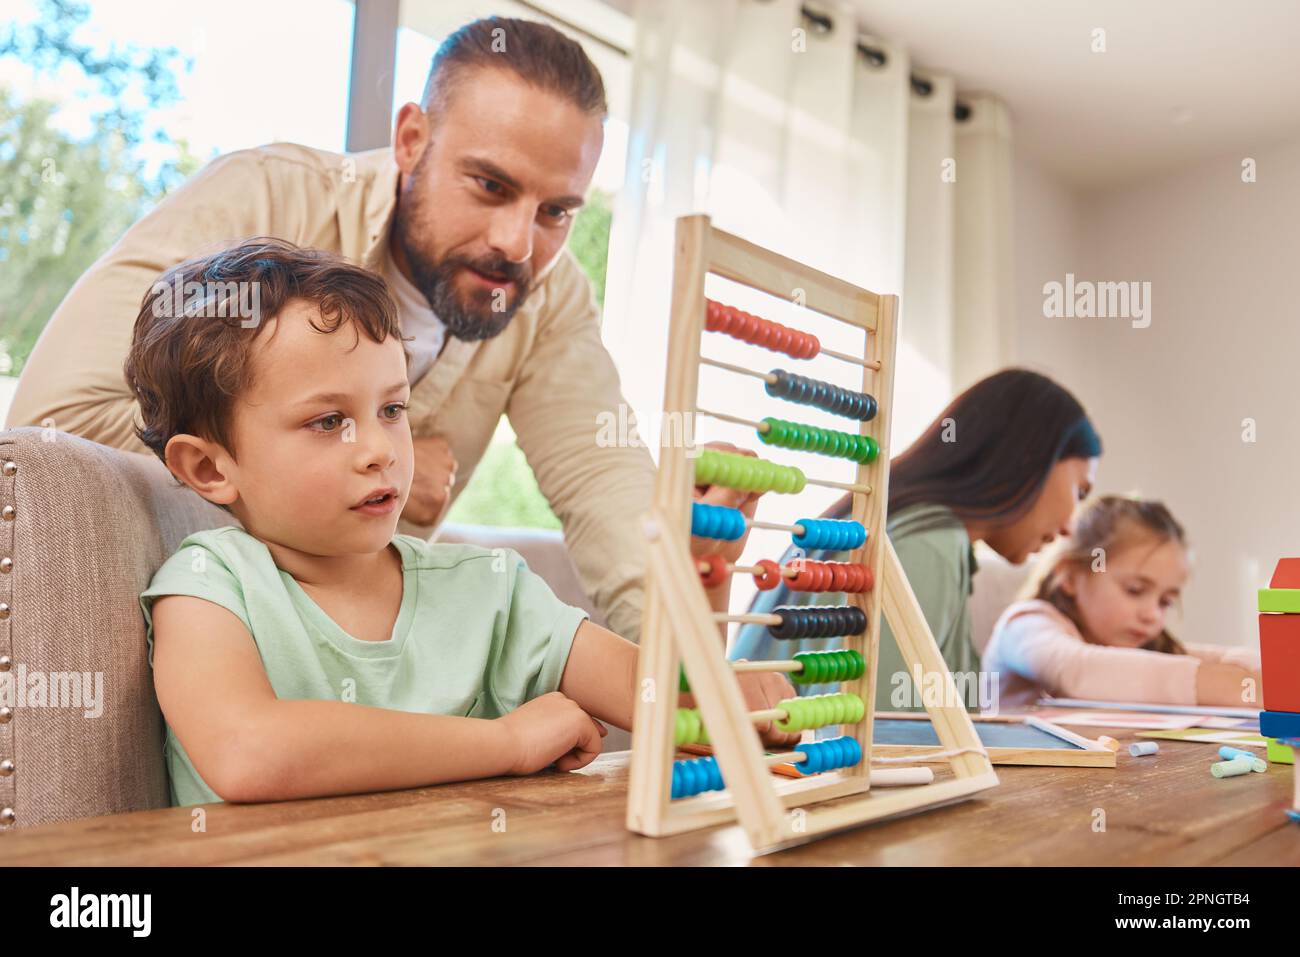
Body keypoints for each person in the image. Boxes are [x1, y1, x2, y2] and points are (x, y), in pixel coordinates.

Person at [7, 17, 657, 640]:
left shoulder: (552, 292)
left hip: (358, 659)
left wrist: (687, 674)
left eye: (556, 211)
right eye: (490, 185)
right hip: (181, 645)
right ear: (411, 139)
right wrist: (339, 460)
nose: (518, 244)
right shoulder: (264, 196)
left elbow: (607, 489)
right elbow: (52, 428)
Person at [129, 239, 797, 806]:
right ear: (211, 469)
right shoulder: (209, 588)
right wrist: (504, 743)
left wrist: (713, 613)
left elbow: (662, 696)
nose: (380, 449)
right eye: (328, 420)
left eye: (392, 409)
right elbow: (249, 752)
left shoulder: (491, 589)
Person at [731, 369, 1103, 713]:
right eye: (1080, 491)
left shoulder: (916, 528)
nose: (1070, 527)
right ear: (1030, 457)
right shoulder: (928, 544)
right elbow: (876, 730)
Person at [984, 495, 1261, 708]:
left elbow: (1188, 655)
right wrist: (1229, 685)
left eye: (1165, 601)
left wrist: (1258, 667)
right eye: (1135, 590)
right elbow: (1076, 670)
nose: (1152, 615)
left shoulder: (1115, 640)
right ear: (1069, 576)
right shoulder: (1025, 625)